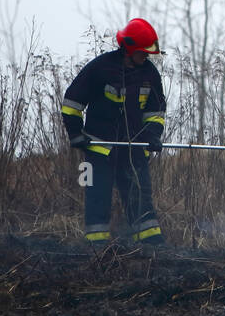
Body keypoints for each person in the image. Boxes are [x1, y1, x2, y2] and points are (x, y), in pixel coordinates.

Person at [60, 18, 167, 245]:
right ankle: (96, 250)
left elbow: (155, 113)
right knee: (96, 199)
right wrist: (76, 134)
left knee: (141, 200)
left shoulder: (150, 75)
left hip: (135, 151)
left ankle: (153, 249)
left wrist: (153, 135)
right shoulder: (100, 68)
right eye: (142, 52)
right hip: (97, 151)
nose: (146, 57)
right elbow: (71, 103)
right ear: (128, 48)